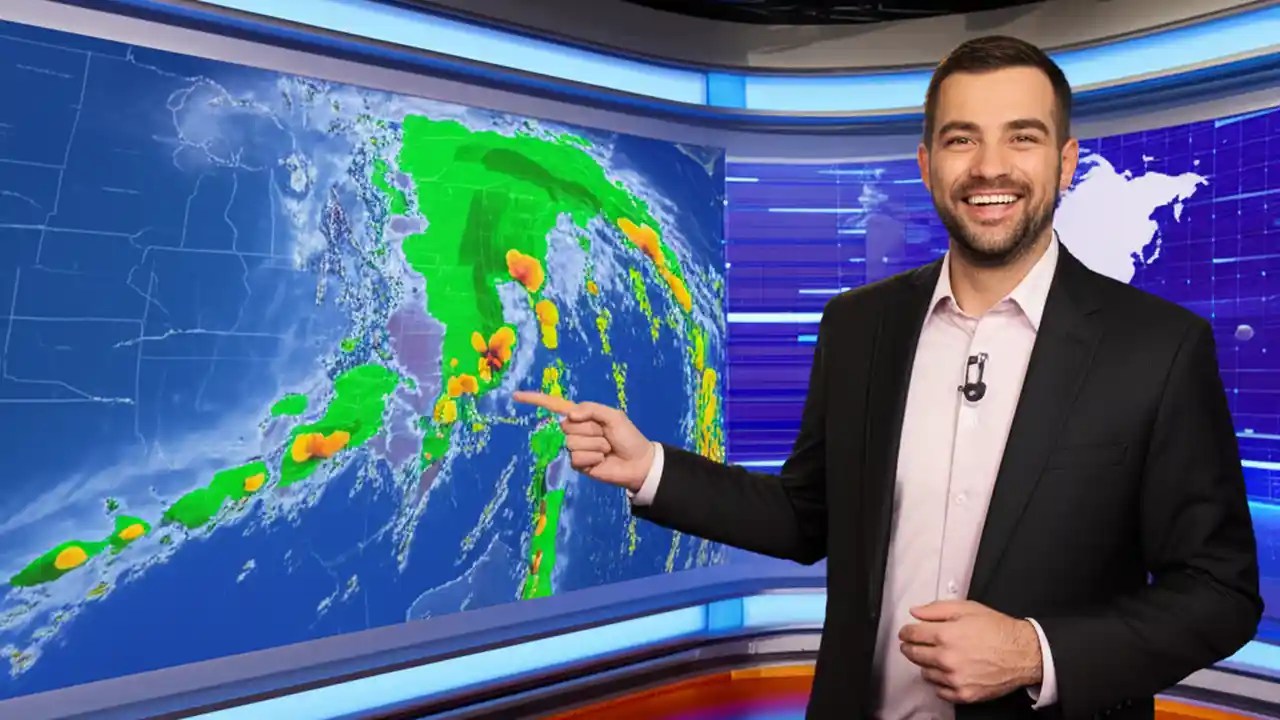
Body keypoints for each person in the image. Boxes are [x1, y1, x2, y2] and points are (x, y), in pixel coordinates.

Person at [515, 34, 1262, 720]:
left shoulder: (1158, 349)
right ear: (927, 164)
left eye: (1021, 139)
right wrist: (649, 467)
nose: (990, 167)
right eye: (960, 140)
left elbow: (1220, 596)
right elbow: (808, 517)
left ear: (1065, 163)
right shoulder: (859, 326)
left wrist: (1035, 652)